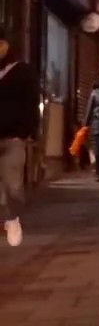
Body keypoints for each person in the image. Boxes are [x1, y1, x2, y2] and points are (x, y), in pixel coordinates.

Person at [0, 28, 40, 247]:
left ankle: (12, 218)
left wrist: (31, 131)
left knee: (13, 184)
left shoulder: (22, 71)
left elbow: (32, 102)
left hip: (14, 136)